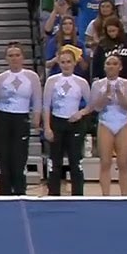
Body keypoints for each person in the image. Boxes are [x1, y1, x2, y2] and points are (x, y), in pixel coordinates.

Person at [0, 42, 42, 196]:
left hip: (21, 120)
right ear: (6, 58)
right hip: (3, 120)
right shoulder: (1, 78)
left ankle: (20, 191)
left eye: (17, 55)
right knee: (3, 159)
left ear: (23, 57)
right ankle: (4, 193)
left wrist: (36, 117)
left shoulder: (31, 77)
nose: (14, 58)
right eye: (11, 55)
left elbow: (37, 100)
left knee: (19, 158)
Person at [42, 46, 90, 196]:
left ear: (74, 63)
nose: (66, 65)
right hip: (57, 122)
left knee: (75, 161)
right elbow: (46, 105)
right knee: (55, 162)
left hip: (75, 124)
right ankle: (53, 194)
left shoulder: (81, 82)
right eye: (63, 62)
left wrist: (81, 113)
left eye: (69, 61)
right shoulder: (52, 81)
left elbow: (91, 104)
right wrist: (47, 128)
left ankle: (78, 195)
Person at [89, 54, 127, 196]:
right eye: (108, 63)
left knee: (122, 162)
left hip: (123, 122)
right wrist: (106, 96)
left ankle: (124, 194)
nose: (111, 66)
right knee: (105, 162)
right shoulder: (97, 84)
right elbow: (96, 107)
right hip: (105, 122)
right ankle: (105, 195)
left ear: (120, 67)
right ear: (104, 66)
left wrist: (120, 95)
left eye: (115, 64)